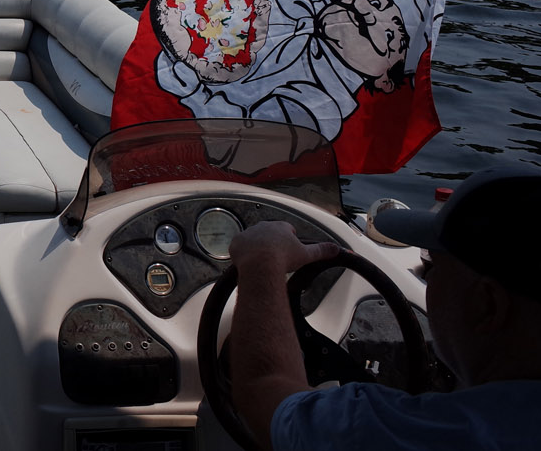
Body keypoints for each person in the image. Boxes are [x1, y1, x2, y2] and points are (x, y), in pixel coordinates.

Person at [228, 163, 541, 451]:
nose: (425, 277)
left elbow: (261, 391)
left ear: (487, 305)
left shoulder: (410, 433)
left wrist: (261, 260)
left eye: (431, 267)